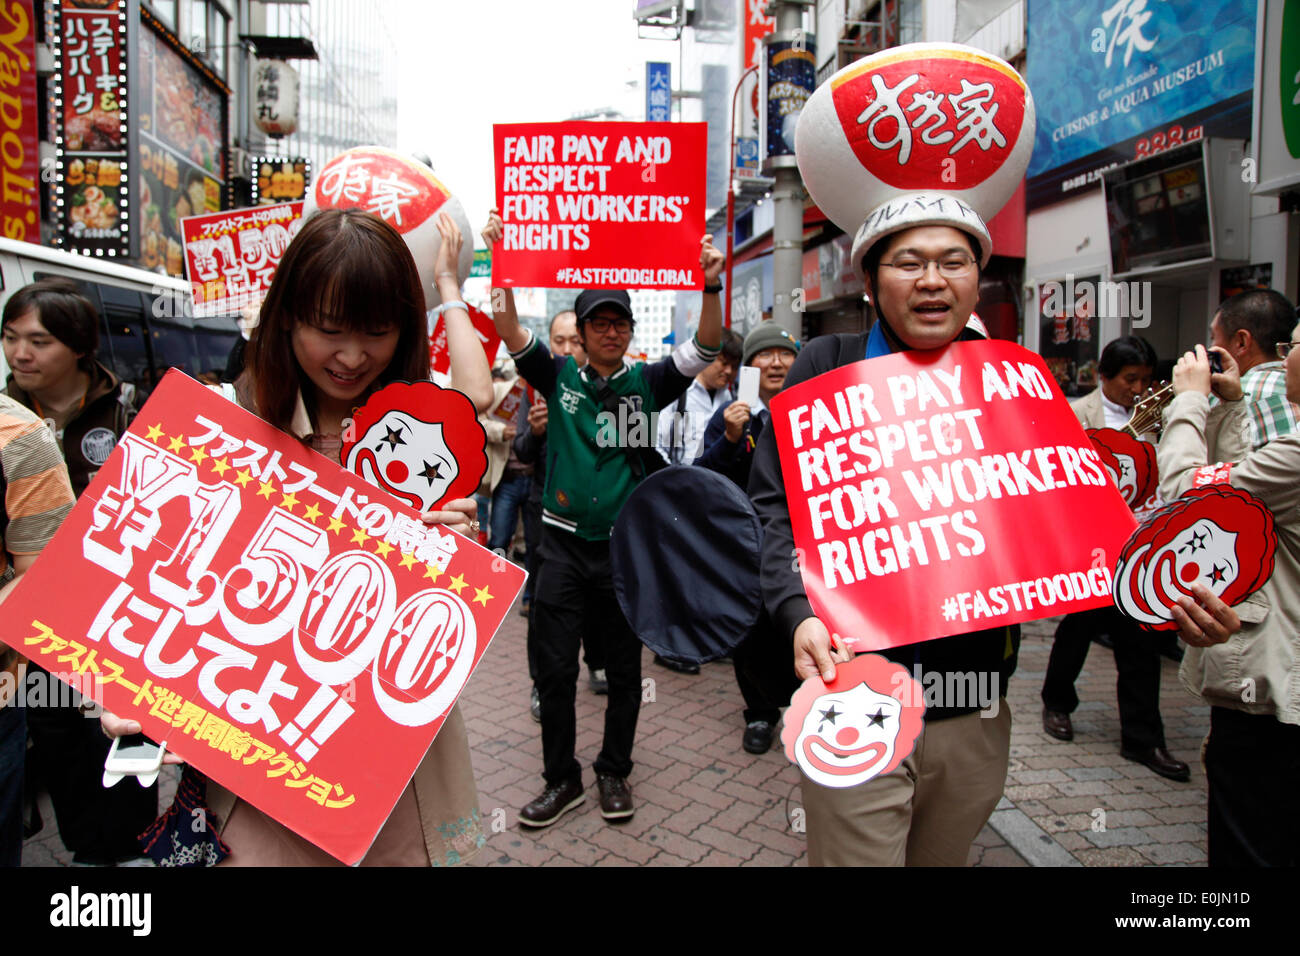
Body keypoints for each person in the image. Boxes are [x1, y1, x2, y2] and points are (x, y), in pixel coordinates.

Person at [103, 207, 488, 866]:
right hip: (261, 752)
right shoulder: (219, 425)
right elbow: (140, 579)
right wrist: (125, 684)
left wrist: (454, 553)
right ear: (287, 316)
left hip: (394, 763)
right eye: (329, 329)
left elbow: (443, 626)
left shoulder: (431, 444)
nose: (351, 356)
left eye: (377, 332)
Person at [750, 219, 1019, 866]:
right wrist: (797, 613)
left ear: (976, 282)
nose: (932, 279)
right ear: (869, 283)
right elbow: (773, 507)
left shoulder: (1008, 383)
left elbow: (1056, 520)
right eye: (909, 263)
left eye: (953, 261)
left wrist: (1159, 588)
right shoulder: (824, 366)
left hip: (973, 703)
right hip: (854, 691)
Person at [485, 211, 723, 827]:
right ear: (584, 333)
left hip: (623, 556)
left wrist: (711, 283)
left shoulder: (648, 383)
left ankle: (614, 772)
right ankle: (561, 781)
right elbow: (507, 325)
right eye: (599, 322)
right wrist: (501, 256)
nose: (610, 331)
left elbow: (707, 347)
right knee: (557, 671)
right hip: (560, 552)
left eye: (620, 321)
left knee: (622, 672)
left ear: (628, 330)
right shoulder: (556, 375)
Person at [1, 278, 156, 863]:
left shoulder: (130, 416)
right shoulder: (8, 424)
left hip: (124, 623)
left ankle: (135, 849)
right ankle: (86, 854)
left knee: (127, 744)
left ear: (79, 346)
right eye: (12, 338)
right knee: (63, 745)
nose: (21, 354)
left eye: (39, 340)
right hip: (43, 633)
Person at [1158, 336, 1300, 866]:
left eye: (1295, 344)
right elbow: (1242, 501)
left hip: (1273, 703)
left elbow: (1188, 502)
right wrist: (1234, 408)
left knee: (1251, 851)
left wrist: (1189, 401)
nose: (1286, 355)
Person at [1040, 336, 1191, 782]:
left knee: (1141, 644)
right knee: (1079, 629)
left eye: (1145, 379)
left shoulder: (1161, 412)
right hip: (1094, 547)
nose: (1137, 388)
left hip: (1142, 547)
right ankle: (1057, 702)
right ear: (1104, 377)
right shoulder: (1075, 413)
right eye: (1130, 379)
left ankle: (1143, 739)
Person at [694, 322, 801, 753]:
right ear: (749, 367)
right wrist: (731, 440)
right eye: (764, 355)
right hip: (746, 548)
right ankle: (759, 713)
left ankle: (804, 708)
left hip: (801, 547)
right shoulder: (731, 417)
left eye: (785, 354)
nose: (775, 363)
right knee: (751, 632)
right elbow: (703, 478)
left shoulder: (811, 410)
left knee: (798, 624)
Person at [512, 311, 607, 714]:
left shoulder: (608, 387)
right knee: (544, 603)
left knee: (600, 598)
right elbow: (520, 451)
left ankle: (598, 662)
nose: (567, 349)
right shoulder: (537, 388)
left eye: (574, 341)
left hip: (597, 519)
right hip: (545, 515)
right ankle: (542, 683)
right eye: (559, 341)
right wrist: (534, 434)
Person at [1208, 289, 1298, 448]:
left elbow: (1193, 469)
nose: (1211, 348)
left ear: (1241, 342)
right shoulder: (1294, 389)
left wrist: (1188, 397)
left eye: (1214, 338)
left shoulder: (1220, 394)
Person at [655, 329, 741, 466]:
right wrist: (673, 479)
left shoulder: (733, 397)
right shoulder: (678, 393)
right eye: (724, 363)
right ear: (707, 357)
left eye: (735, 366)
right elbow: (657, 445)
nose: (729, 371)